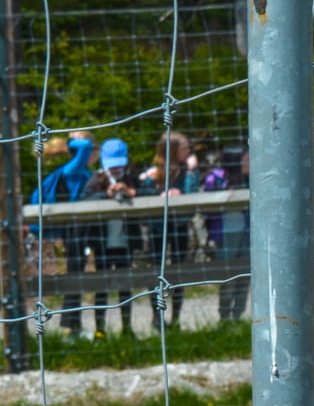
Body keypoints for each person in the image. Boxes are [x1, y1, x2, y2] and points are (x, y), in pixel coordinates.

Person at [136, 132, 198, 328]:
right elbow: (142, 193)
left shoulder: (188, 171)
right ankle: (157, 316)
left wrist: (190, 173)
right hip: (158, 226)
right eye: (184, 148)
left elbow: (193, 194)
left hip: (180, 225)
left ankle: (176, 318)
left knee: (179, 270)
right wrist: (161, 194)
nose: (189, 151)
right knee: (156, 269)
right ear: (172, 150)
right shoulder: (153, 173)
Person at [36, 134, 95, 330]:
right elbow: (85, 145)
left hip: (79, 228)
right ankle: (70, 325)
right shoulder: (74, 169)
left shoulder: (79, 169)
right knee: (75, 273)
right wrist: (71, 142)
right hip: (74, 230)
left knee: (76, 273)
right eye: (95, 149)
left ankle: (72, 323)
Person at [79, 139, 138, 336]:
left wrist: (130, 192)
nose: (116, 169)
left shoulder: (131, 178)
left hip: (125, 242)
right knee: (102, 286)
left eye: (120, 164)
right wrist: (106, 195)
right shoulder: (96, 180)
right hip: (102, 243)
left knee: (125, 286)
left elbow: (150, 192)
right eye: (113, 165)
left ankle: (127, 329)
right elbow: (84, 200)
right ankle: (100, 331)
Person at [203, 144, 252, 321]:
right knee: (228, 277)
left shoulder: (250, 178)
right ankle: (224, 316)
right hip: (224, 234)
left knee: (245, 276)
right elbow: (207, 208)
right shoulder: (215, 179)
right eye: (246, 159)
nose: (250, 162)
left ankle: (237, 315)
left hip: (246, 232)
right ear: (235, 161)